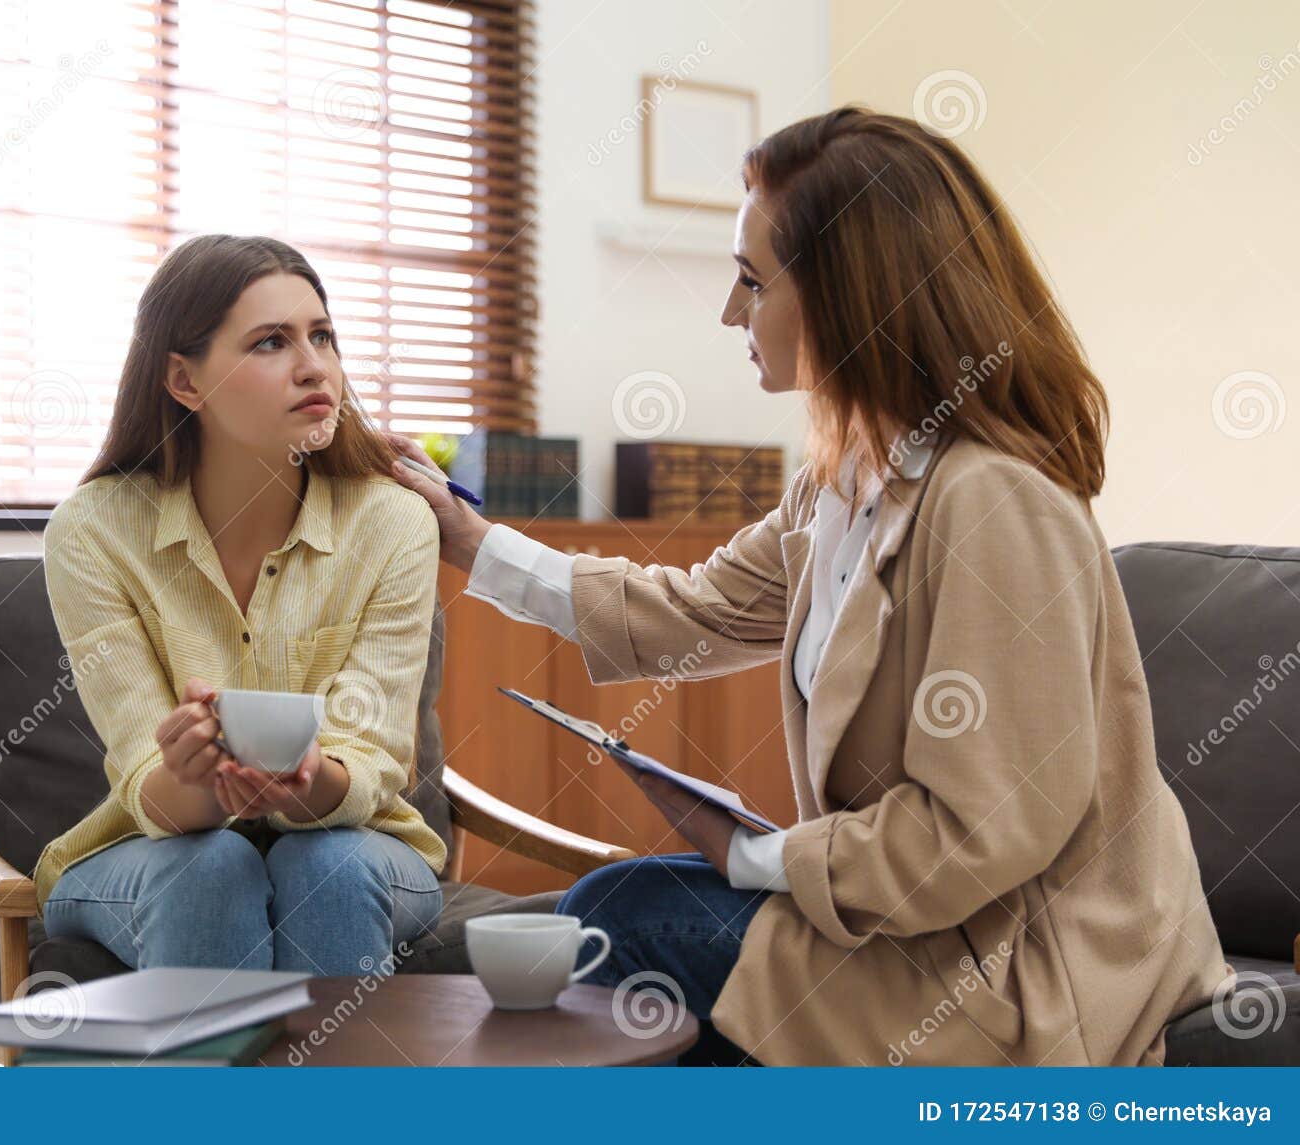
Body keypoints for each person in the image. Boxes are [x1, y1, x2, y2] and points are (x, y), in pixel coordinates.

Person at [389, 106, 1230, 1065]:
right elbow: (693, 612)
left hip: (1020, 968)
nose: (730, 311)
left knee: (625, 918)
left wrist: (757, 853)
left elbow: (983, 832)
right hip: (915, 930)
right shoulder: (844, 480)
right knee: (616, 906)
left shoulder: (994, 502)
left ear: (848, 295)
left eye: (752, 281)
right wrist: (472, 541)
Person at [32, 235, 446, 977]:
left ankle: (326, 1061)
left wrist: (308, 780)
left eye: (323, 336)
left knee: (326, 865)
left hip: (353, 841)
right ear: (184, 381)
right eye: (271, 342)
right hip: (158, 848)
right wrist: (194, 776)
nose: (315, 366)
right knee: (212, 868)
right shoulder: (93, 531)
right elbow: (152, 792)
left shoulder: (393, 522)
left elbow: (369, 759)